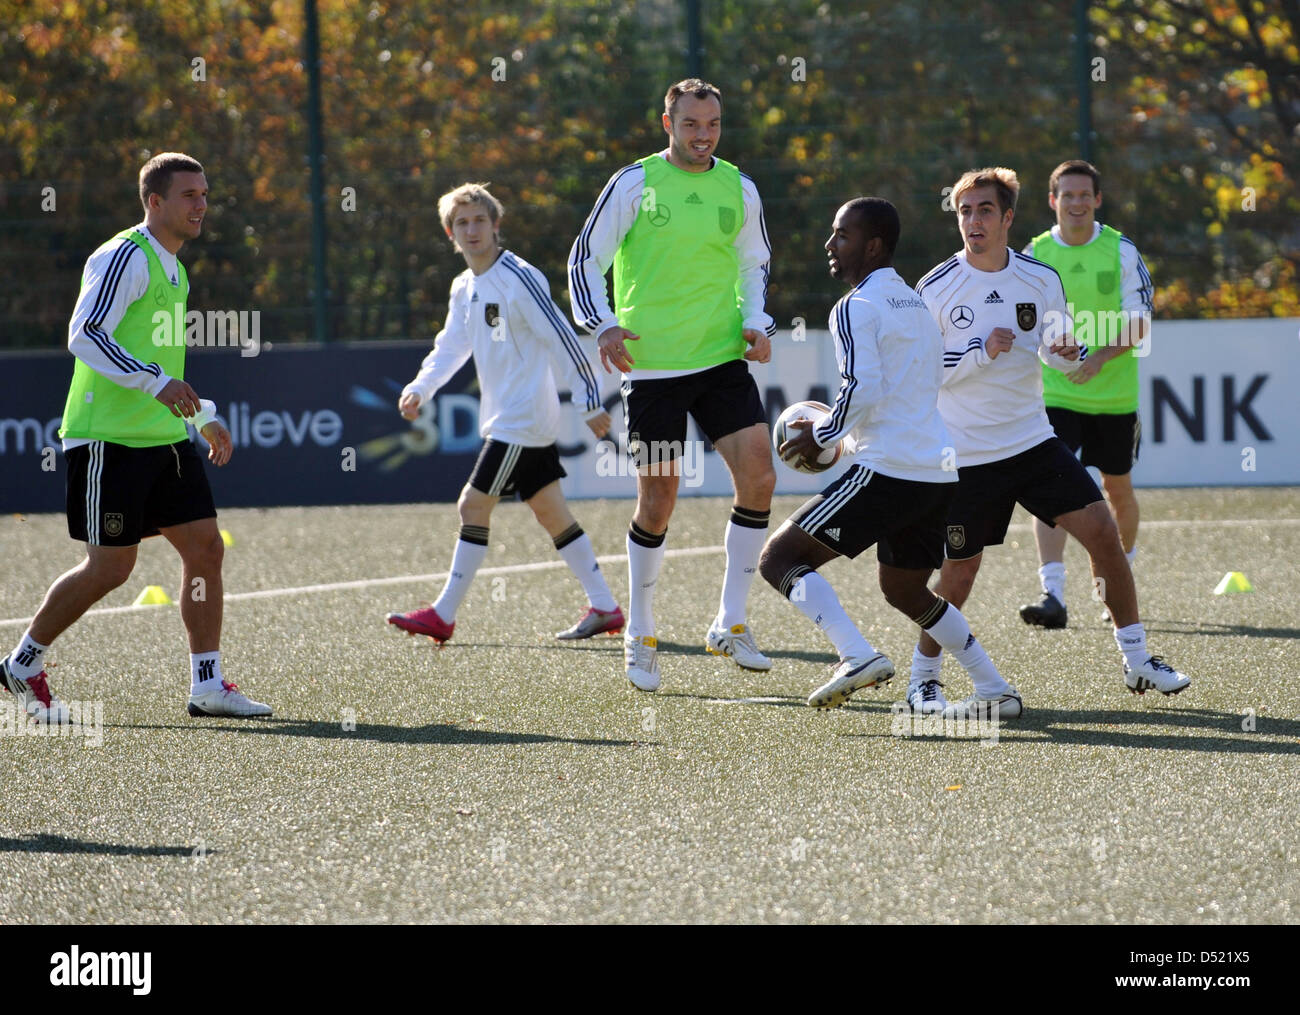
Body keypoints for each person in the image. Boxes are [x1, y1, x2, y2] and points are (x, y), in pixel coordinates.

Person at [907, 167, 1189, 715]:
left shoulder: (1040, 278)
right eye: (964, 211)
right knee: (959, 574)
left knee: (1104, 533)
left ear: (1008, 217)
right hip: (968, 455)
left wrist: (1062, 350)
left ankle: (1137, 659)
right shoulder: (936, 287)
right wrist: (978, 352)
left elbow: (1053, 340)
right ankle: (924, 680)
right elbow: (920, 373)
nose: (973, 222)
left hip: (1033, 441)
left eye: (984, 210)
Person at [1, 152, 271, 721]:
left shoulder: (176, 268)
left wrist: (202, 416)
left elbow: (160, 360)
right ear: (154, 202)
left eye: (204, 194)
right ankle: (23, 663)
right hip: (109, 438)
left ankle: (207, 684)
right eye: (189, 196)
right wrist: (156, 384)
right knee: (111, 568)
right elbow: (85, 334)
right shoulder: (126, 255)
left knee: (206, 549)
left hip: (165, 438)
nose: (201, 205)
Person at [759, 197, 1012, 714]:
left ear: (872, 245)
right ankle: (993, 690)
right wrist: (848, 439)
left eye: (842, 235)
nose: (831, 244)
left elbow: (864, 385)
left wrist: (824, 435)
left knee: (778, 559)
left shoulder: (853, 307)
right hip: (936, 473)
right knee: (904, 588)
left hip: (890, 471)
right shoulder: (913, 304)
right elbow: (915, 386)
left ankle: (856, 656)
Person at [568, 78, 777, 692]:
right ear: (667, 123)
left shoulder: (739, 187)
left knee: (760, 477)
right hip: (653, 370)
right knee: (659, 500)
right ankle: (642, 632)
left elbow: (752, 264)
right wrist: (603, 325)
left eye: (712, 124)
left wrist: (757, 322)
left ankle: (731, 622)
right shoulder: (633, 183)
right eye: (691, 124)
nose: (703, 134)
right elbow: (586, 259)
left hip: (720, 361)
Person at [386, 183, 622, 644]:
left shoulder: (519, 276)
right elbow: (452, 345)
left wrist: (590, 401)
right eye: (461, 223)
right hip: (509, 419)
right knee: (551, 513)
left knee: (472, 505)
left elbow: (562, 338)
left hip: (523, 419)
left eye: (479, 220)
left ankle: (443, 614)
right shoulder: (463, 287)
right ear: (450, 234)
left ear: (496, 225)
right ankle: (606, 607)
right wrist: (420, 387)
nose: (471, 230)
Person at [1018, 160, 1153, 629]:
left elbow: (1140, 322)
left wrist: (1096, 357)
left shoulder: (1120, 250)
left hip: (1114, 397)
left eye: (1084, 195)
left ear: (1097, 200)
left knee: (1117, 488)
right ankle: (1051, 593)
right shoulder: (1034, 253)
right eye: (1066, 195)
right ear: (1053, 201)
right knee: (1050, 489)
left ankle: (1121, 576)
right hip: (1055, 394)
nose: (1076, 203)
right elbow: (1023, 322)